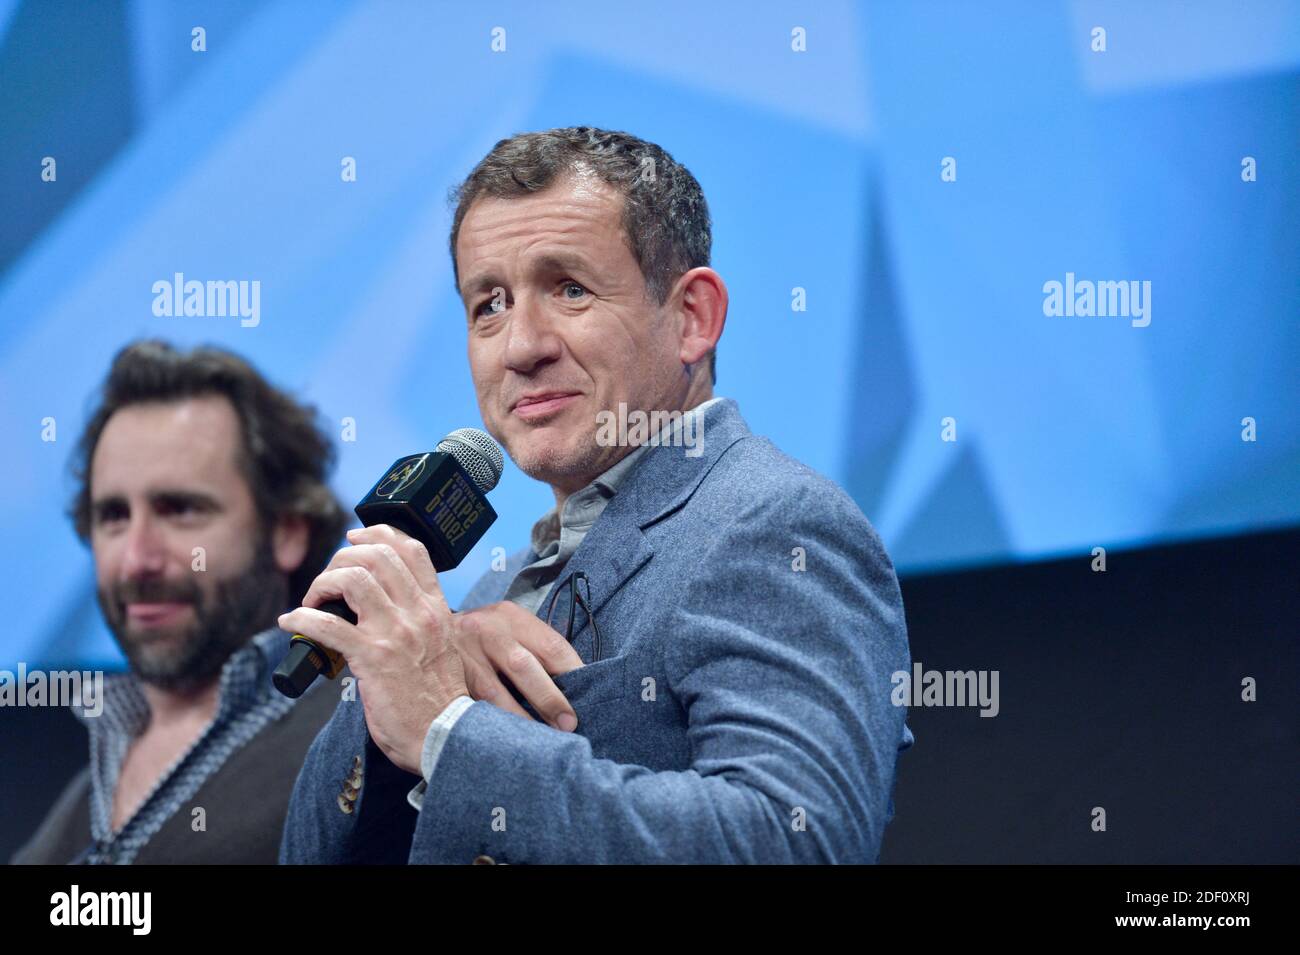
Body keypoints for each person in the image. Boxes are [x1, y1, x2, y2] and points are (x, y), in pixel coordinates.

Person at [279, 126, 914, 864]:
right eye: (489, 304)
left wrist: (449, 732)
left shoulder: (776, 524)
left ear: (692, 318)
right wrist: (400, 700)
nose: (521, 346)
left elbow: (794, 841)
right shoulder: (492, 587)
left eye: (570, 288)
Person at [11, 341, 348, 864]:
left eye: (180, 510)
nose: (136, 559)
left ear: (286, 531)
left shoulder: (371, 730)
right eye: (113, 516)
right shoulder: (71, 774)